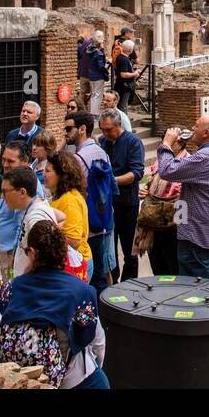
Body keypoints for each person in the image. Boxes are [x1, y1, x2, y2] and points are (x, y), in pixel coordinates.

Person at [0, 221, 107, 389]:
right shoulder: (81, 291)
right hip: (73, 378)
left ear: (32, 253)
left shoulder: (10, 288)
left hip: (23, 376)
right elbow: (93, 339)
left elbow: (2, 318)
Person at [156, 116, 209, 280]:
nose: (193, 128)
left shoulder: (205, 157)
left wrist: (166, 143)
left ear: (206, 132)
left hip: (196, 236)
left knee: (194, 293)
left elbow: (166, 171)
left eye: (196, 125)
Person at [66, 111, 115, 292]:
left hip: (84, 225)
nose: (65, 132)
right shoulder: (102, 153)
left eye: (69, 128)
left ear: (82, 129)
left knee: (87, 275)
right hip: (102, 219)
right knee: (100, 275)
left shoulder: (77, 159)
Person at [99, 109, 144, 282]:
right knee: (109, 250)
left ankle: (129, 283)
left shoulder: (133, 142)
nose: (105, 133)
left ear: (119, 125)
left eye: (108, 129)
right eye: (102, 129)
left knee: (129, 250)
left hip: (127, 204)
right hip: (107, 204)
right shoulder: (102, 141)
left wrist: (111, 181)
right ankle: (114, 282)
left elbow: (136, 173)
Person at [0, 140, 43, 280]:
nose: (5, 165)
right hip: (4, 249)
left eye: (11, 161)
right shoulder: (12, 179)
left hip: (12, 253)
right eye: (3, 160)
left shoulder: (29, 185)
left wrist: (14, 255)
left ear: (25, 161)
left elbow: (22, 222)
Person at [0, 166, 59, 278]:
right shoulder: (37, 206)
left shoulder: (36, 217)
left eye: (5, 191)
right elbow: (62, 217)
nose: (3, 197)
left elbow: (44, 258)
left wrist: (25, 279)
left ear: (22, 192)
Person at [46, 148, 92, 282]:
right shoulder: (61, 197)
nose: (44, 174)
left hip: (74, 266)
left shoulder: (69, 201)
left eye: (48, 171)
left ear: (61, 174)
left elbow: (74, 241)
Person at [135, 156, 181, 277]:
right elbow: (149, 178)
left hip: (173, 224)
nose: (165, 144)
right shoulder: (160, 160)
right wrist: (144, 188)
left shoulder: (186, 162)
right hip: (153, 223)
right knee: (158, 268)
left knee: (174, 268)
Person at [113, 40, 140, 108]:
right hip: (124, 86)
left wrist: (133, 72)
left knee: (123, 104)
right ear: (130, 50)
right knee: (123, 105)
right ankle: (123, 118)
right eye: (133, 48)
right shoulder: (124, 59)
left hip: (122, 85)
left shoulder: (121, 57)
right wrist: (134, 74)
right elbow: (123, 74)